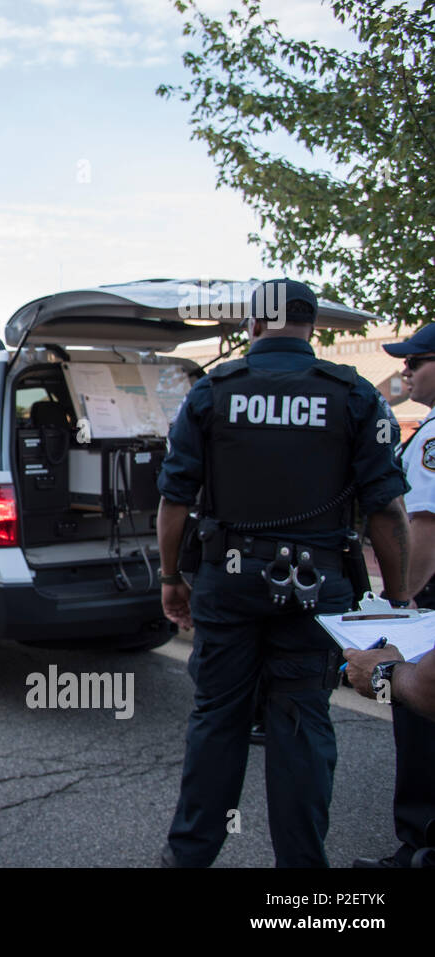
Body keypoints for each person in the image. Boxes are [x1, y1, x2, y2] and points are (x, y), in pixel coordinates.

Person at [155, 279, 410, 868]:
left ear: (253, 326)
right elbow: (386, 509)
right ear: (311, 326)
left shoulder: (212, 391)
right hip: (318, 589)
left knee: (218, 718)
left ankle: (187, 859)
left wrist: (172, 578)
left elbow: (174, 500)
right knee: (301, 720)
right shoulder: (351, 394)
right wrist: (396, 601)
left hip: (228, 580)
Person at [341, 325, 435, 867]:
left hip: (427, 606)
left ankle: (420, 845)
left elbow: (423, 526)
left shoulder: (433, 438)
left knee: (421, 715)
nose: (406, 369)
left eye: (417, 360)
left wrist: (399, 606)